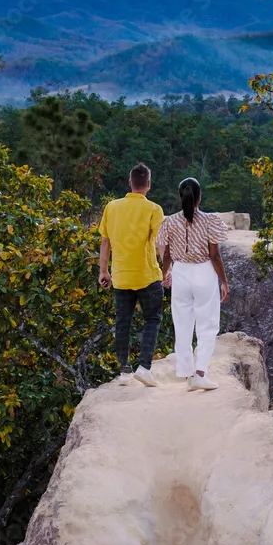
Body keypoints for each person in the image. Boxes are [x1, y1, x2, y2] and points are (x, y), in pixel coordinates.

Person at [156, 177, 229, 391]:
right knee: (207, 325)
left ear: (180, 197)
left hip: (180, 272)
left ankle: (186, 372)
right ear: (199, 197)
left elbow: (167, 253)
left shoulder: (169, 222)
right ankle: (200, 373)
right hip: (204, 272)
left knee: (182, 323)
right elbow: (215, 255)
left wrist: (165, 272)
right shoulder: (211, 220)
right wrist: (224, 281)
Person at [98, 162, 164, 387]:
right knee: (153, 318)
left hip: (122, 276)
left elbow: (105, 241)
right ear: (148, 184)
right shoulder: (154, 209)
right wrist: (168, 269)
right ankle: (144, 367)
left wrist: (103, 270)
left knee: (123, 322)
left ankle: (124, 371)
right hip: (147, 275)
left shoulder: (112, 207)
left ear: (130, 183)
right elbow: (160, 244)